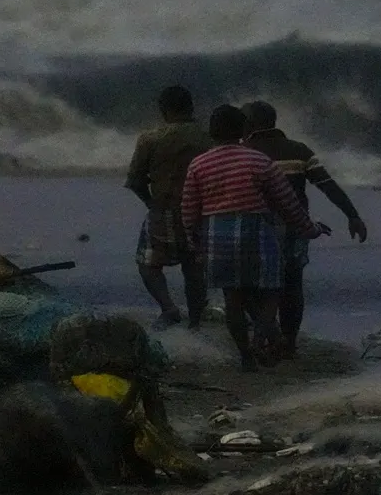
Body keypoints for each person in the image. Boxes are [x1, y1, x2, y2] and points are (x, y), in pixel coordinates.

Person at [180, 105, 329, 372]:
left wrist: (194, 242)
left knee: (233, 298)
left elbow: (189, 209)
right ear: (242, 131)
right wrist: (311, 229)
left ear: (211, 132)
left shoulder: (199, 164)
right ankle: (262, 333)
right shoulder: (259, 161)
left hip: (217, 234)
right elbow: (287, 203)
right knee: (272, 288)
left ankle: (246, 357)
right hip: (256, 232)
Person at [240, 100, 368, 359]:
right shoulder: (299, 150)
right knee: (292, 285)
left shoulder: (244, 152)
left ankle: (268, 334)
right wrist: (352, 215)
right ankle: (289, 342)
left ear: (250, 125)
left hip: (254, 228)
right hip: (294, 226)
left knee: (252, 285)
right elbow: (327, 185)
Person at [125, 85, 214, 330]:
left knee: (148, 264)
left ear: (163, 109)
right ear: (191, 107)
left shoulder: (151, 139)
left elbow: (135, 181)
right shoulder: (209, 139)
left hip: (163, 209)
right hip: (202, 212)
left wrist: (151, 202)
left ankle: (169, 308)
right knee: (194, 267)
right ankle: (195, 319)